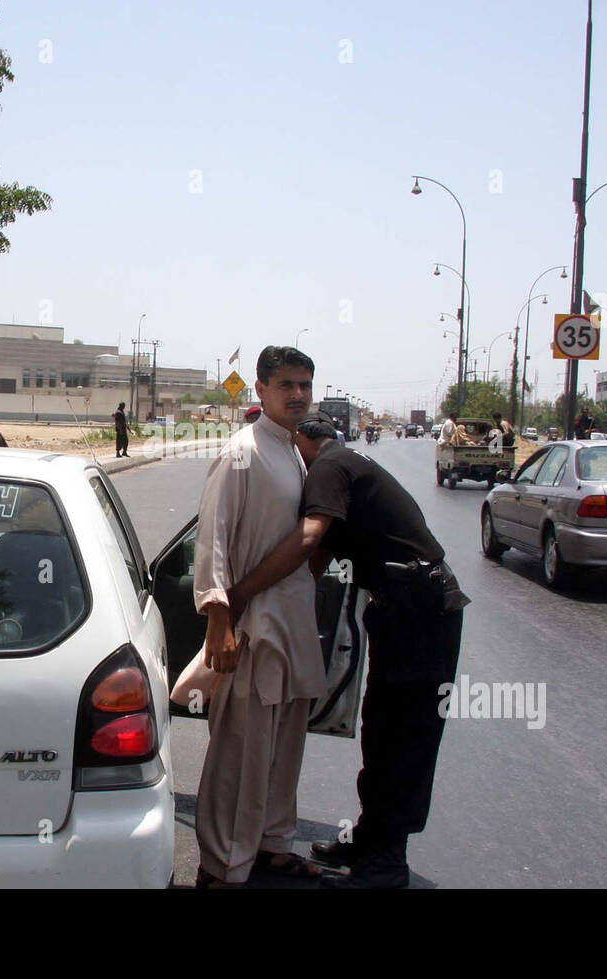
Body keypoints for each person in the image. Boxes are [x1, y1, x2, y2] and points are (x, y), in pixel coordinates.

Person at [226, 410, 469, 888]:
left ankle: (386, 862)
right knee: (380, 730)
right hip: (404, 606)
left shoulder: (328, 468)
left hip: (420, 610)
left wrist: (237, 596)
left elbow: (309, 538)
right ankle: (371, 839)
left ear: (301, 443)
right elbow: (315, 562)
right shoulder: (341, 465)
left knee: (405, 736)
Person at [192, 345, 328, 888]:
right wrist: (218, 620)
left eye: (305, 386)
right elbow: (213, 542)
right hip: (252, 628)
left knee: (284, 744)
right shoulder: (243, 451)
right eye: (286, 385)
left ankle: (273, 843)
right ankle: (224, 863)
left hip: (292, 624)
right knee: (241, 750)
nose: (297, 395)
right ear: (262, 389)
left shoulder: (294, 452)